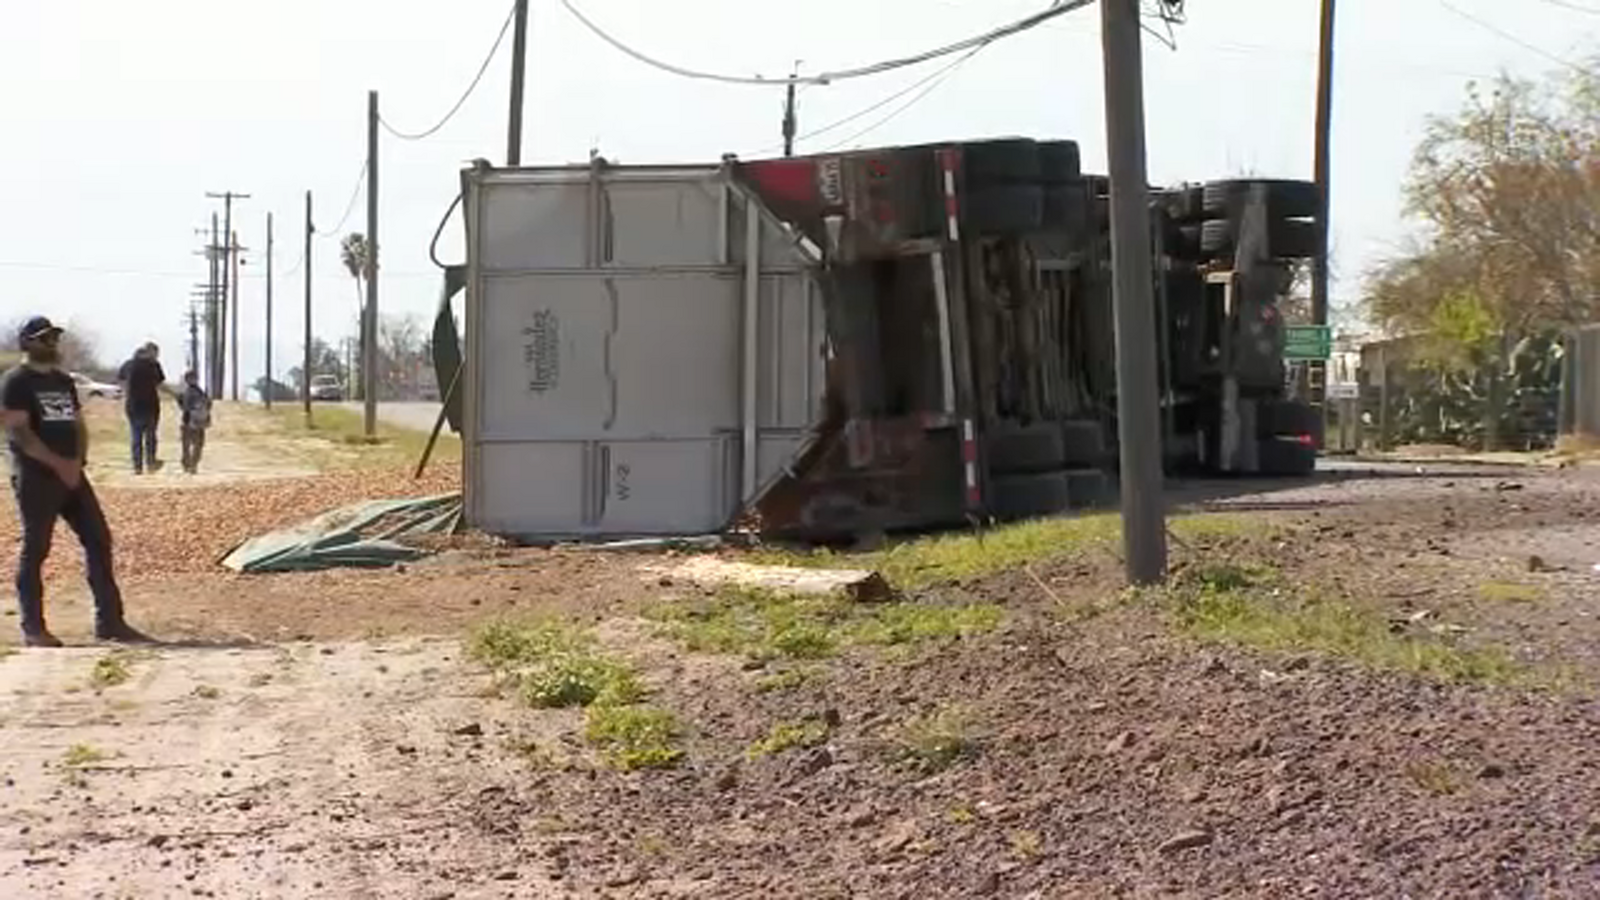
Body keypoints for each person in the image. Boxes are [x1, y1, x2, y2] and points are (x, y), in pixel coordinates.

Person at [2, 317, 151, 647]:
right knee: (36, 547)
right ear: (26, 343)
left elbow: (78, 421)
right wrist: (58, 464)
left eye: (54, 338)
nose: (51, 344)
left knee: (99, 538)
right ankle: (33, 628)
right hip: (36, 477)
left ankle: (110, 622)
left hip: (72, 473)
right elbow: (20, 433)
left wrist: (79, 460)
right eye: (44, 339)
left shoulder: (62, 381)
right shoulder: (16, 382)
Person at [117, 342, 171, 474]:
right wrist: (175, 395)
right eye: (156, 353)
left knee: (136, 436)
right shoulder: (153, 366)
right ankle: (151, 463)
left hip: (133, 405)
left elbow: (120, 380)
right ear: (150, 352)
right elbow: (161, 385)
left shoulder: (128, 364)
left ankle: (137, 466)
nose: (157, 356)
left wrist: (127, 392)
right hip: (150, 405)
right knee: (150, 436)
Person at [177, 369, 212, 474]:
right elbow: (208, 405)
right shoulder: (200, 392)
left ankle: (190, 465)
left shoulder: (186, 392)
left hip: (191, 421)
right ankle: (191, 465)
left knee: (190, 445)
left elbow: (184, 407)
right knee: (195, 445)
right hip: (195, 421)